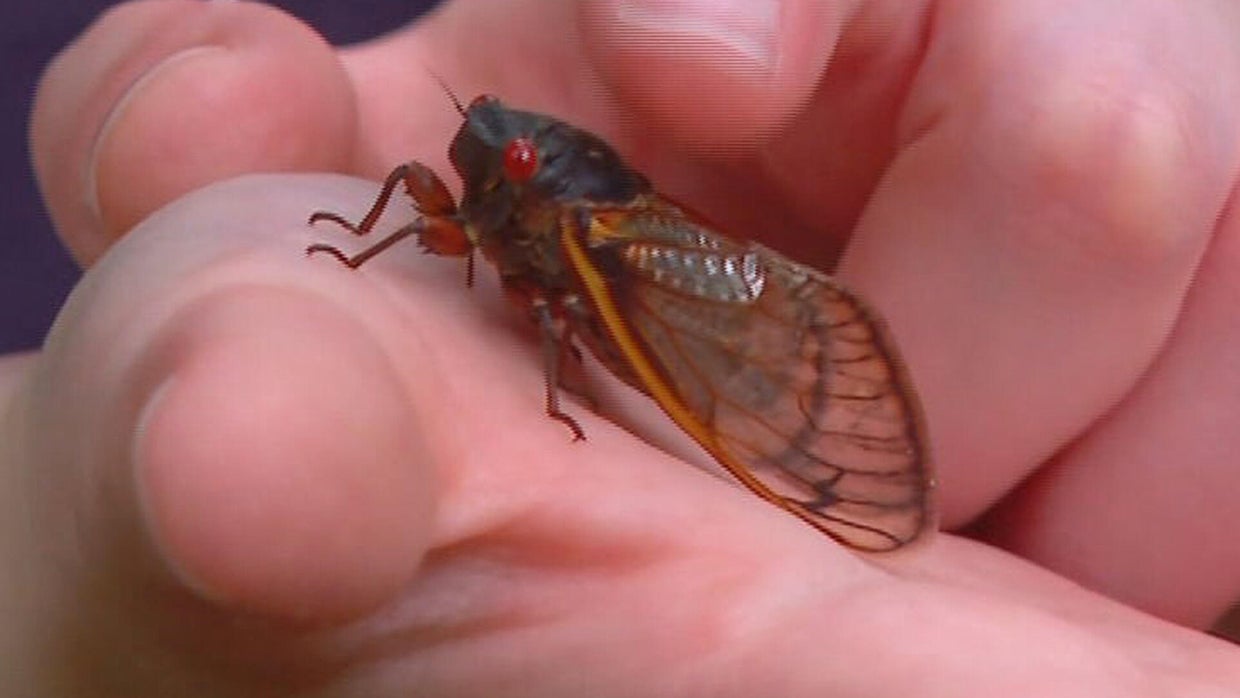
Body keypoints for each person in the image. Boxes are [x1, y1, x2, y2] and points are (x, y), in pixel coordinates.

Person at [7, 0, 1240, 694]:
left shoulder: (572, 230)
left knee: (561, 304)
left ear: (537, 176)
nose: (479, 167)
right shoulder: (461, 192)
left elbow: (556, 309)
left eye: (508, 163)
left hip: (643, 284)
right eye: (482, 156)